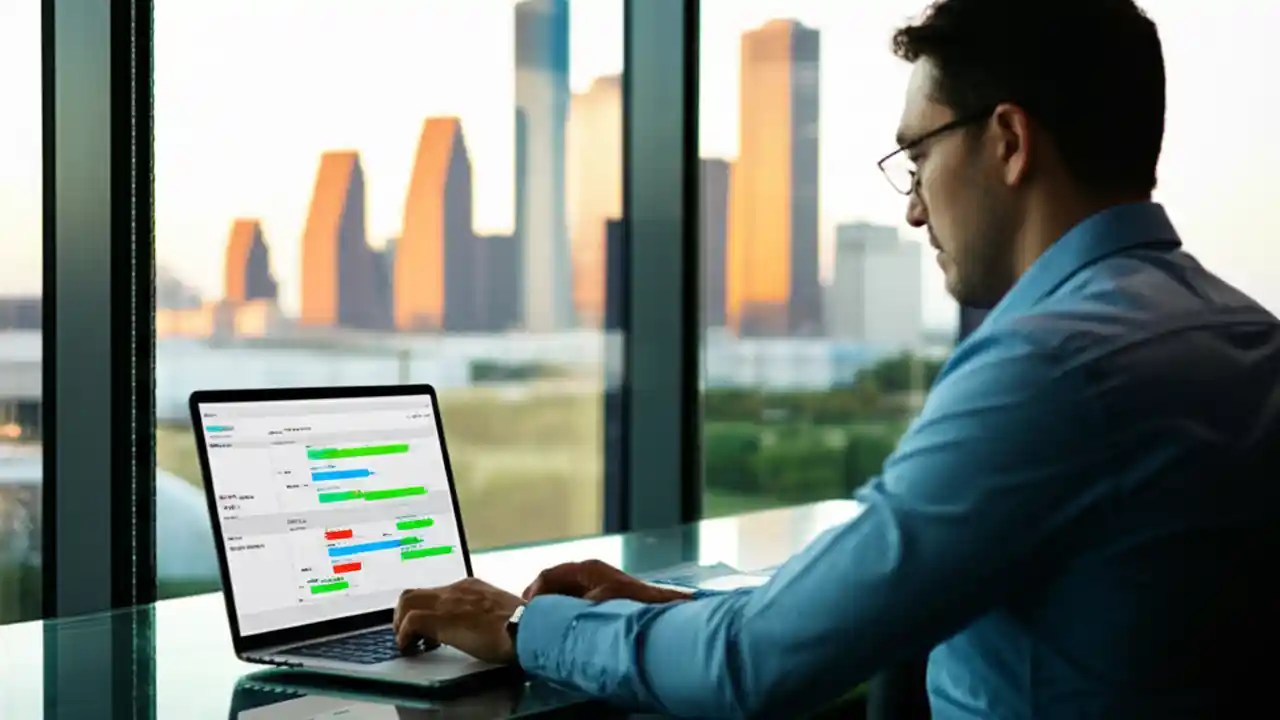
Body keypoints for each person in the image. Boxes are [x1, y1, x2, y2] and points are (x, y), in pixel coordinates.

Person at [394, 0, 1280, 716]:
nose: (915, 210)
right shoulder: (1243, 339)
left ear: (1008, 142)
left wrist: (521, 625)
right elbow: (862, 611)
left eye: (920, 154)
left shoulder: (1053, 366)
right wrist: (663, 611)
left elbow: (757, 669)